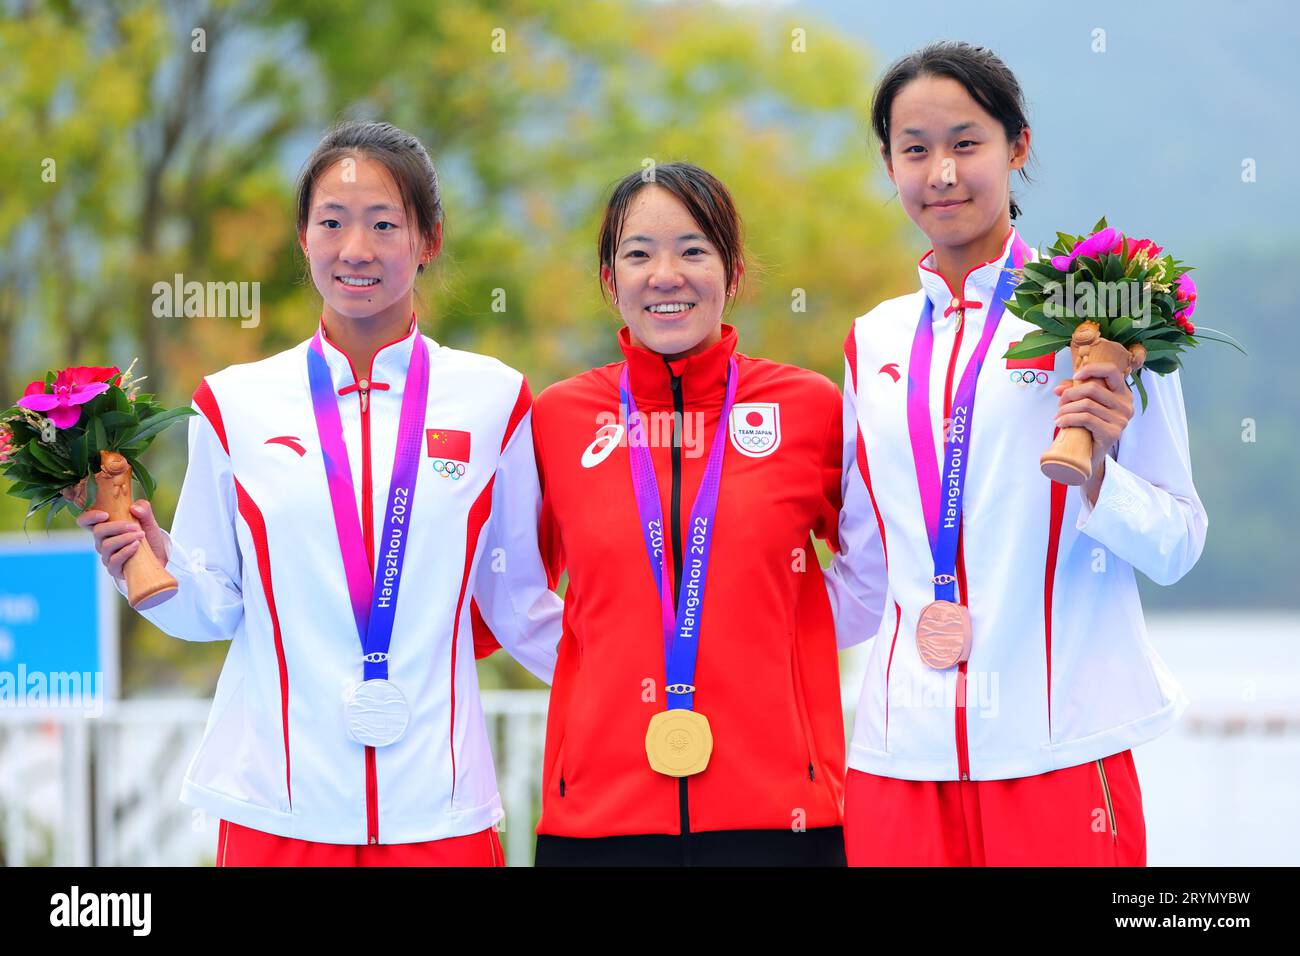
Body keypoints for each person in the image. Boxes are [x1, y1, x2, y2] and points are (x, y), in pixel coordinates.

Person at [77, 121, 562, 866]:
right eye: (331, 223)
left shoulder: (494, 401)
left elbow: (520, 607)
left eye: (383, 224)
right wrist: (152, 559)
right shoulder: (234, 403)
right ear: (303, 239)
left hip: (440, 813)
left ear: (428, 240)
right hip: (279, 814)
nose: (355, 249)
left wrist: (666, 676)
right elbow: (218, 604)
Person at [834, 41, 1208, 866]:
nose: (942, 174)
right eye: (915, 149)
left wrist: (1100, 475)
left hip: (1058, 754)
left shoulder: (1105, 310)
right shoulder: (874, 342)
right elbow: (863, 572)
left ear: (1018, 146)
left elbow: (1178, 544)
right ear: (890, 162)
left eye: (967, 144)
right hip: (899, 762)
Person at [523, 162, 853, 865]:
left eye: (693, 250)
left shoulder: (808, 407)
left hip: (781, 818)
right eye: (638, 254)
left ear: (733, 273)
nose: (665, 274)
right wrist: (603, 672)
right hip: (597, 822)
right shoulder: (557, 418)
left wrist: (779, 651)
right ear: (611, 281)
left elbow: (880, 572)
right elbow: (512, 590)